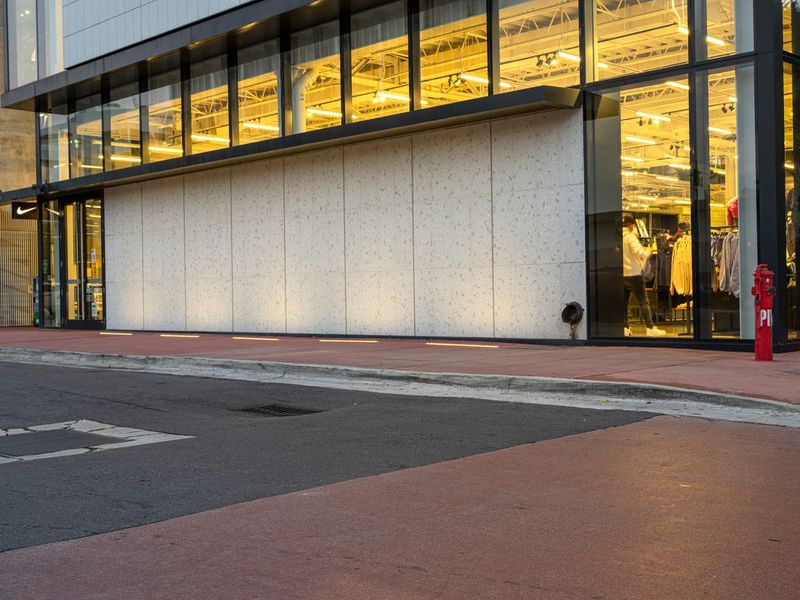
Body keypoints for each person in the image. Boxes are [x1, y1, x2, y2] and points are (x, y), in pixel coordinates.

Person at [622, 215, 666, 337]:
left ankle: (625, 328)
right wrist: (648, 251)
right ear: (631, 225)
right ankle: (650, 328)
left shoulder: (618, 238)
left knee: (624, 303)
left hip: (622, 275)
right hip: (634, 274)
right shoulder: (630, 237)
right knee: (643, 301)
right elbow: (639, 252)